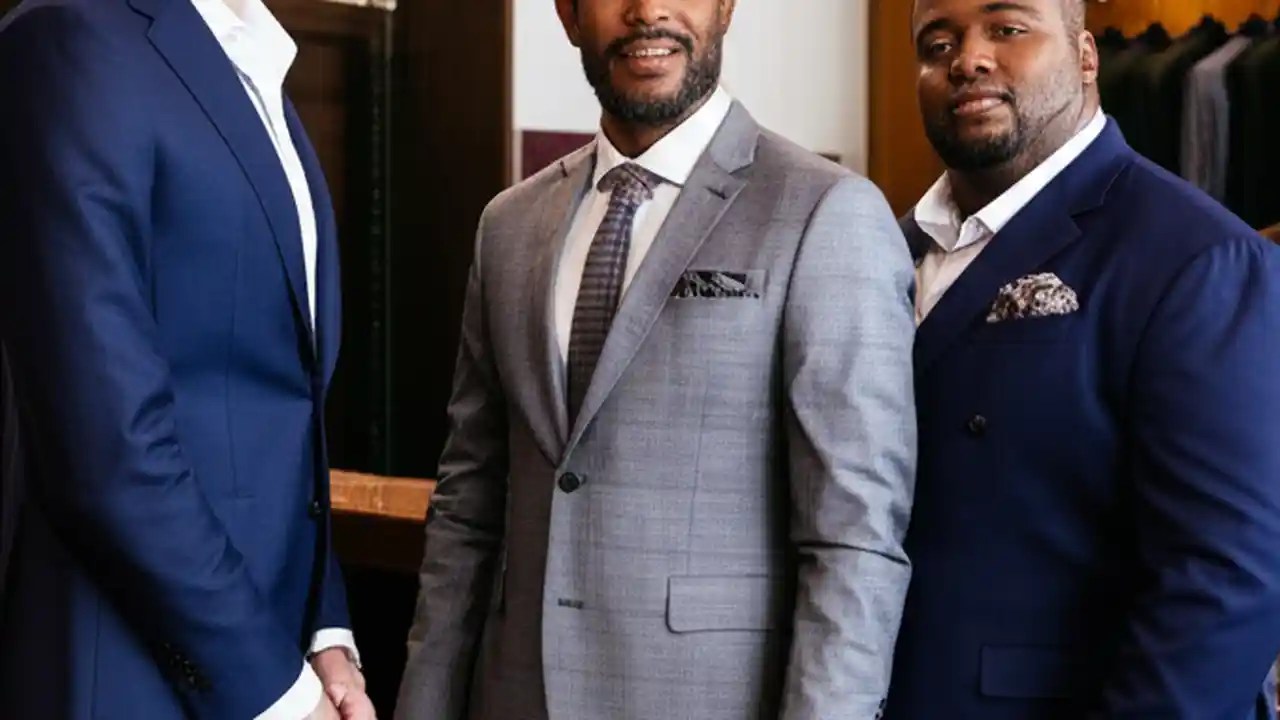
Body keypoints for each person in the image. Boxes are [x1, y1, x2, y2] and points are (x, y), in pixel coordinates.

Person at [394, 0, 918, 718]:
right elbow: (468, 505)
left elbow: (854, 536)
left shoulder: (826, 212)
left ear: (727, 6)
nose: (647, 11)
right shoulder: (508, 225)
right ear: (569, 14)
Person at [885, 0, 1280, 718]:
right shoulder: (879, 246)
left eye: (1007, 29)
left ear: (1087, 55)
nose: (967, 58)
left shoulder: (1198, 256)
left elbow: (1226, 582)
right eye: (937, 43)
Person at [0, 0, 375, 717]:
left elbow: (278, 415)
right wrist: (277, 690)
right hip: (131, 671)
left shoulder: (253, 57)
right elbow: (105, 447)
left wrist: (324, 630)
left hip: (270, 646)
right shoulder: (73, 37)